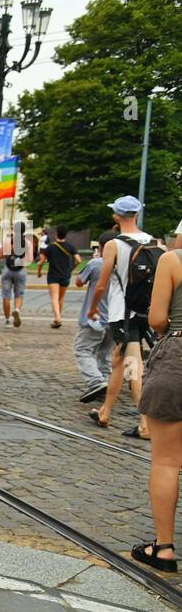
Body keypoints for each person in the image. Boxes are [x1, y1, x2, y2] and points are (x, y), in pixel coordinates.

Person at [132, 240, 182, 573]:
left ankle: (164, 549)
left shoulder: (172, 260)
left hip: (178, 358)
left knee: (167, 460)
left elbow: (158, 318)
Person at [89, 197, 154, 438]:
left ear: (116, 216)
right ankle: (105, 412)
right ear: (136, 214)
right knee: (118, 359)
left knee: (131, 365)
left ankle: (145, 423)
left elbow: (101, 284)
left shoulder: (113, 245)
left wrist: (92, 309)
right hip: (145, 310)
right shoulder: (153, 241)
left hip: (121, 313)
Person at [74, 250, 113, 403]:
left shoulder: (96, 263)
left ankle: (96, 381)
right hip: (115, 318)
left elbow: (78, 282)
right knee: (105, 354)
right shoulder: (124, 264)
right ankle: (106, 384)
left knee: (82, 349)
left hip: (94, 318)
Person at [37, 225, 76, 328]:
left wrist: (39, 272)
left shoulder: (51, 247)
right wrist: (71, 268)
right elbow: (79, 260)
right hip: (65, 275)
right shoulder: (70, 247)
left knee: (54, 297)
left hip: (53, 276)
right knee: (61, 298)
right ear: (65, 235)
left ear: (56, 234)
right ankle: (57, 317)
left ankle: (58, 318)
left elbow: (41, 262)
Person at [0, 223, 33, 327]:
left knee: (6, 296)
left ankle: (7, 319)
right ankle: (17, 310)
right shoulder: (27, 242)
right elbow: (29, 260)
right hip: (20, 270)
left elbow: (0, 256)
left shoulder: (7, 240)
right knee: (19, 294)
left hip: (7, 270)